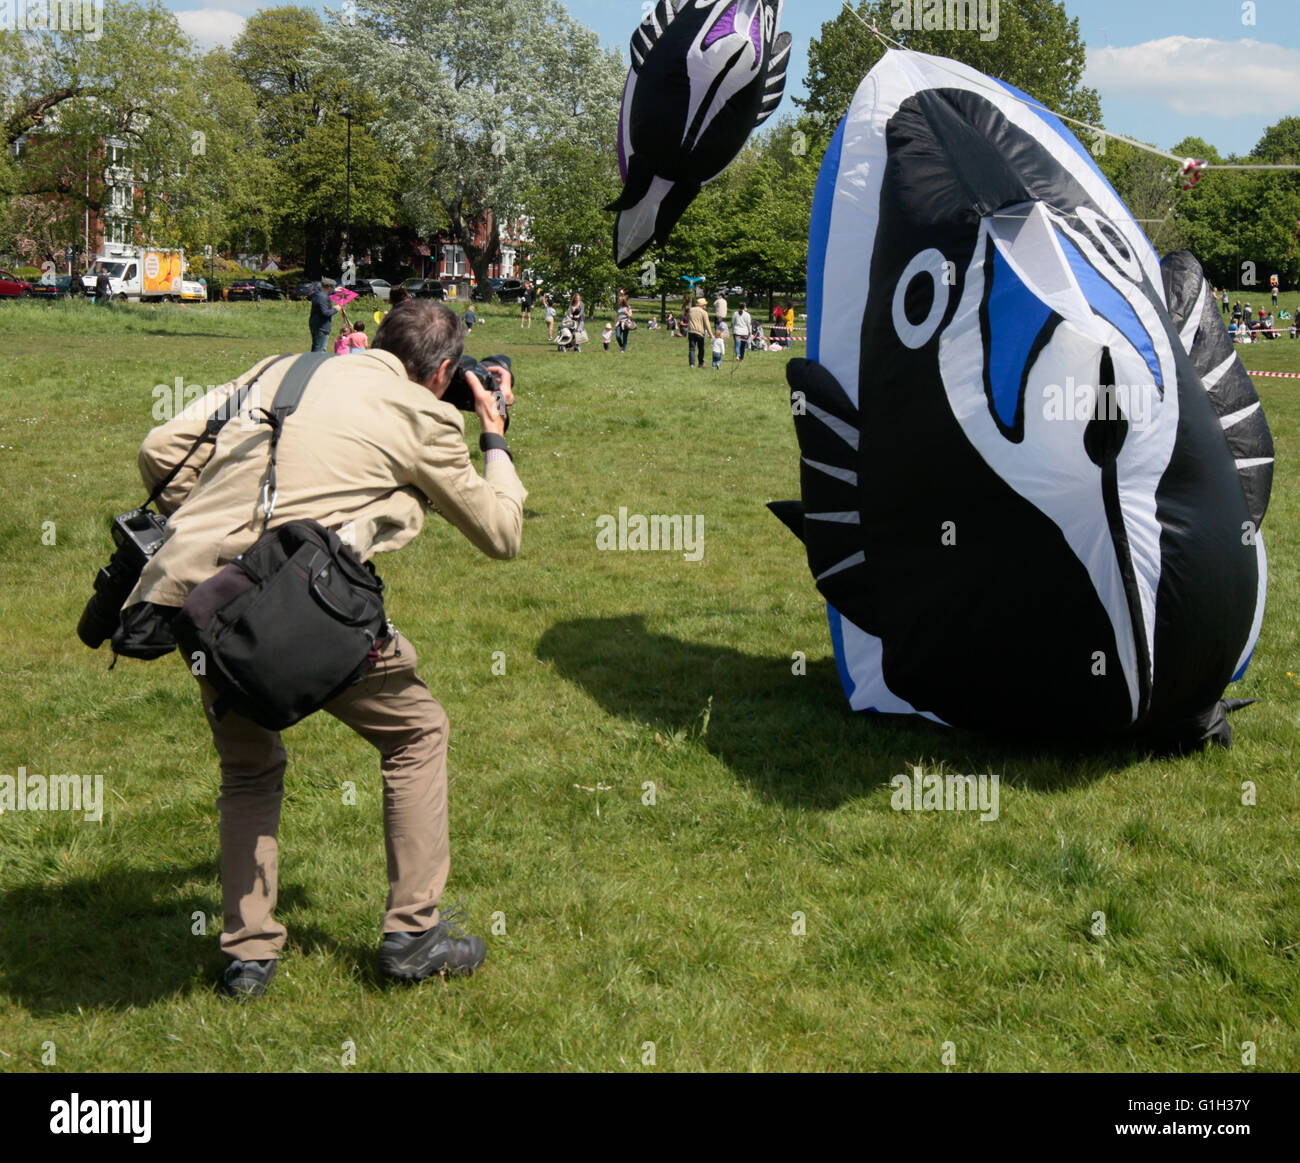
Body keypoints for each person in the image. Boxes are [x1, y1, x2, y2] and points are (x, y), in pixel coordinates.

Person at [123, 299, 525, 998]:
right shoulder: (423, 413)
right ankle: (414, 934)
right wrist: (493, 435)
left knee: (249, 769)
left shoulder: (284, 369)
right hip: (300, 606)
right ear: (439, 376)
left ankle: (249, 958)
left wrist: (240, 519)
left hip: (205, 602)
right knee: (417, 731)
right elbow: (500, 532)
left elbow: (160, 450)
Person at [309, 280, 337, 352]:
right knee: (320, 349)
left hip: (315, 324)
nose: (333, 289)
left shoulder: (317, 293)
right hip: (321, 326)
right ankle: (315, 363)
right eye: (333, 288)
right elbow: (325, 312)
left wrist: (335, 291)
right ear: (329, 288)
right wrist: (335, 309)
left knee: (316, 346)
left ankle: (311, 361)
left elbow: (327, 293)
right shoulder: (323, 297)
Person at [684, 297, 711, 369]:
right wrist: (711, 334)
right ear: (702, 305)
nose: (705, 306)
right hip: (699, 332)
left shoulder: (691, 310)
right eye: (705, 305)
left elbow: (687, 318)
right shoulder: (704, 312)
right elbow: (707, 324)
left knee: (692, 349)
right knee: (701, 349)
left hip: (691, 332)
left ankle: (692, 364)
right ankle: (701, 363)